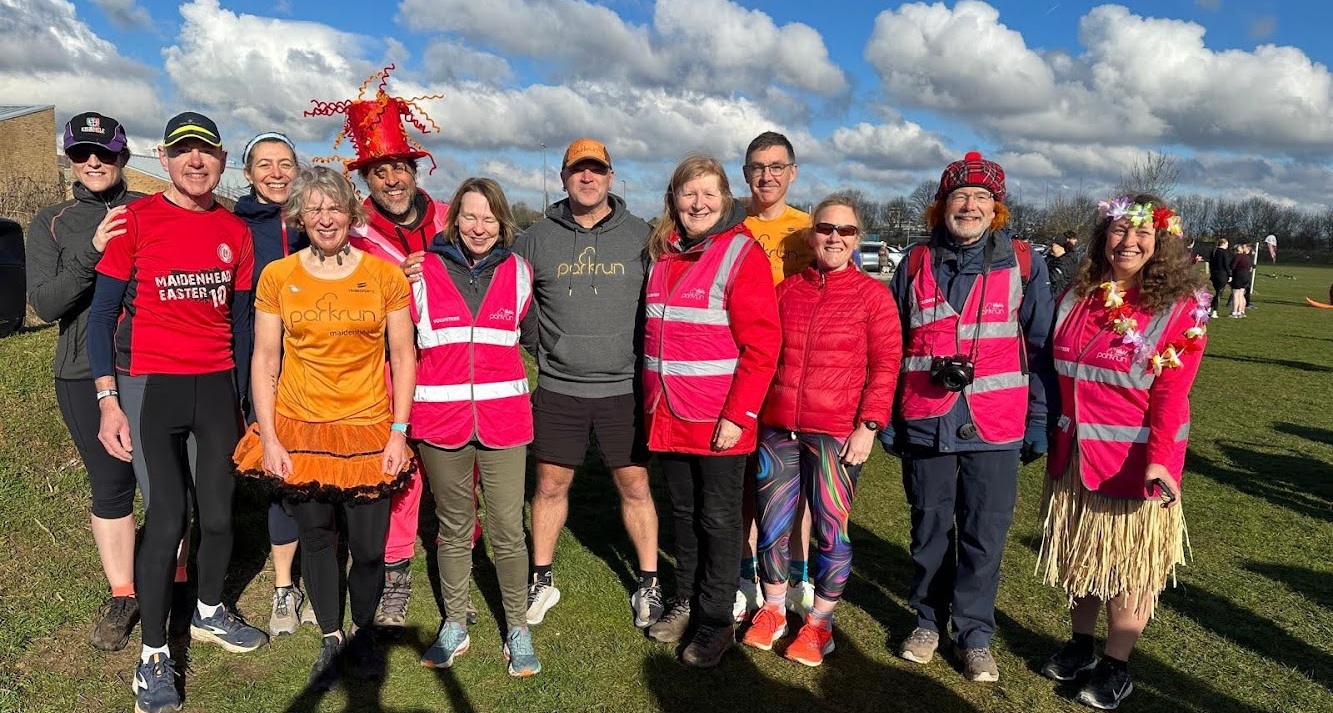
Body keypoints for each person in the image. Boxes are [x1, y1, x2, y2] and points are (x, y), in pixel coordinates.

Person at [87, 111, 267, 713]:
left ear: (222, 162)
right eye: (183, 150)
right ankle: (153, 654)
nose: (196, 161)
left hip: (215, 388)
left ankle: (209, 610)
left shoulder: (235, 230)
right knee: (168, 516)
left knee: (217, 515)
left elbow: (240, 324)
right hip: (150, 386)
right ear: (163, 158)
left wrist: (244, 402)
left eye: (206, 152)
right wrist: (108, 400)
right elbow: (102, 315)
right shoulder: (135, 220)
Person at [233, 165, 414, 690]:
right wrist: (269, 437)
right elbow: (265, 359)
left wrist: (399, 431)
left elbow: (403, 356)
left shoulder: (385, 276)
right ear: (299, 216)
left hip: (368, 429)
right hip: (301, 429)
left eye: (334, 207)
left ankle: (363, 632)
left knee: (370, 548)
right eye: (314, 209)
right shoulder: (278, 276)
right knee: (316, 539)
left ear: (351, 212)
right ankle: (331, 636)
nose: (326, 218)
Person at [883, 151, 1053, 682]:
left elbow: (1041, 348)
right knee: (929, 529)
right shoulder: (914, 262)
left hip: (996, 423)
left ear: (996, 209)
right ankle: (927, 622)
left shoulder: (1023, 263)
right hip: (925, 420)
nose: (970, 206)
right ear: (943, 205)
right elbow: (890, 345)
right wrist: (886, 416)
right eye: (960, 196)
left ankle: (975, 634)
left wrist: (1039, 420)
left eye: (982, 197)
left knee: (984, 534)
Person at [1036, 194, 1207, 710]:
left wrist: (1162, 461)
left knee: (1129, 567)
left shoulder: (1178, 309)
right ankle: (1081, 646)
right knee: (1081, 557)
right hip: (1073, 457)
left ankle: (1117, 666)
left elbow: (1172, 394)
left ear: (1162, 243)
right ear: (1102, 238)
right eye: (1118, 231)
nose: (1128, 243)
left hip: (1133, 465)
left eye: (1142, 234)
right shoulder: (1077, 297)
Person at [311, 68, 455, 630]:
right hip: (382, 370)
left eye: (399, 168)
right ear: (365, 179)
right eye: (379, 171)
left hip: (448, 365)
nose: (392, 180)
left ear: (415, 171)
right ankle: (395, 573)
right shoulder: (351, 235)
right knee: (397, 471)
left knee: (455, 468)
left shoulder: (451, 221)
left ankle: (457, 559)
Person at [742, 195, 901, 667]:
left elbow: (886, 365)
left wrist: (869, 425)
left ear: (857, 238)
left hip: (837, 434)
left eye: (845, 231)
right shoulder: (787, 291)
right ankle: (773, 609)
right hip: (779, 430)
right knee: (772, 525)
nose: (835, 238)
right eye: (826, 228)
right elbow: (762, 354)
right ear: (812, 235)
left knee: (831, 531)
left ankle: (820, 624)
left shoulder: (874, 297)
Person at [514, 138, 661, 630]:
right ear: (563, 177)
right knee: (550, 484)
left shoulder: (642, 237)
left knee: (635, 485)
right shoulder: (536, 238)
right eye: (578, 170)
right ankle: (541, 578)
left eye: (596, 169)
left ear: (610, 177)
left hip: (624, 388)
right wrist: (541, 344)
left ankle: (649, 582)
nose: (587, 177)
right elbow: (516, 298)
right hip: (560, 386)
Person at [641, 155, 780, 668]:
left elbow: (762, 346)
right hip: (667, 413)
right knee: (683, 514)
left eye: (708, 193)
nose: (698, 203)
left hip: (718, 419)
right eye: (688, 193)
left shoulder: (741, 254)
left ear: (725, 198)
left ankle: (716, 620)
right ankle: (686, 600)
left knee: (719, 520)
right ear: (673, 200)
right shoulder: (663, 253)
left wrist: (737, 416)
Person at [414, 177, 543, 676]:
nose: (479, 227)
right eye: (469, 216)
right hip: (440, 422)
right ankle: (455, 624)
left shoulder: (520, 273)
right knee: (454, 529)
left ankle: (517, 629)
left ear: (502, 223)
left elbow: (535, 340)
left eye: (489, 218)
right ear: (454, 220)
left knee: (508, 529)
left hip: (504, 423)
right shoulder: (421, 271)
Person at [27, 112, 146, 651]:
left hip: (151, 363)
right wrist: (93, 248)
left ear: (123, 156)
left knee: (171, 480)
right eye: (81, 153)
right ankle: (123, 595)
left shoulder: (149, 208)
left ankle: (177, 579)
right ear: (70, 159)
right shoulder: (51, 221)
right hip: (81, 371)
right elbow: (46, 305)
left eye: (104, 153)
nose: (93, 162)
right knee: (112, 481)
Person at [232, 131, 315, 636]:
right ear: (248, 174)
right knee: (281, 475)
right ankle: (285, 585)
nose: (277, 173)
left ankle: (321, 572)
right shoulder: (236, 226)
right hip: (262, 369)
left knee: (323, 471)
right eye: (265, 164)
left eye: (285, 163)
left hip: (319, 371)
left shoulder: (316, 220)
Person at [736, 131, 817, 621]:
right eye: (757, 167)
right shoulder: (733, 224)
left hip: (796, 370)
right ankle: (748, 573)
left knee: (797, 482)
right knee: (748, 477)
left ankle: (799, 574)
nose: (766, 176)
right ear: (746, 173)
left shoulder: (809, 229)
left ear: (793, 172)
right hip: (743, 366)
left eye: (776, 166)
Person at [1046, 231, 1079, 296]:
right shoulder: (1052, 258)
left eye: (1052, 246)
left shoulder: (1067, 261)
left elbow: (1053, 277)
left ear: (1061, 247)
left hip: (1057, 296)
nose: (1050, 248)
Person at [1206, 237, 1231, 319]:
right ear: (1223, 244)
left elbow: (1211, 264)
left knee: (1217, 292)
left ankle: (1209, 308)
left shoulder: (1213, 252)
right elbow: (1226, 265)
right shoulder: (1224, 252)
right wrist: (1229, 274)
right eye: (1227, 244)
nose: (1227, 246)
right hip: (1222, 274)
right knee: (1219, 293)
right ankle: (1214, 311)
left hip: (1214, 274)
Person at [1229, 242, 1254, 317]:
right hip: (1246, 277)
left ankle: (1234, 312)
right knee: (1241, 295)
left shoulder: (1238, 256)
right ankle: (1240, 312)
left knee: (1236, 294)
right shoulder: (1247, 257)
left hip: (1238, 276)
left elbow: (1232, 267)